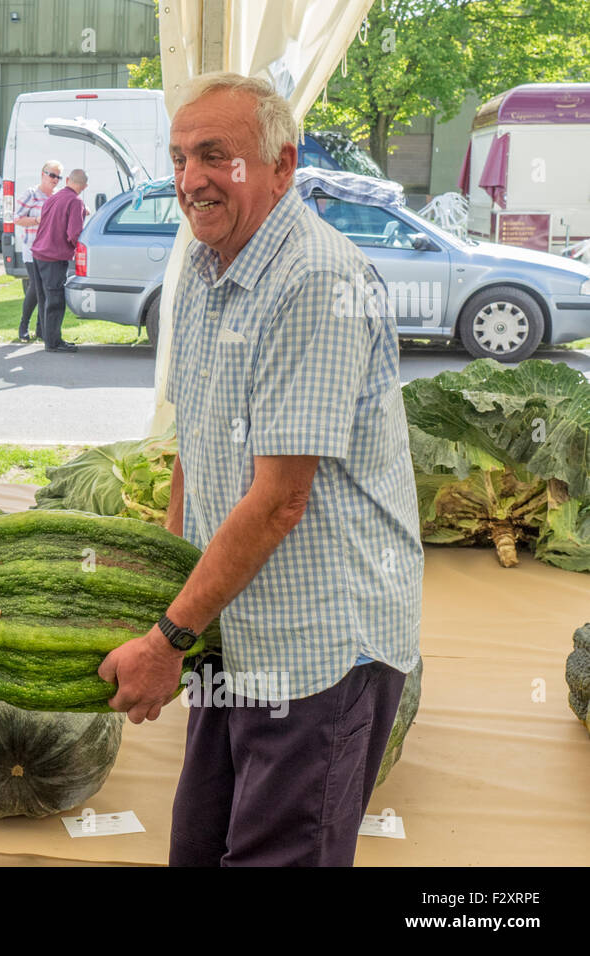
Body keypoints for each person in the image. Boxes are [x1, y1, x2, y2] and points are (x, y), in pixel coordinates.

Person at [97, 72, 422, 866]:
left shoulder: (314, 280)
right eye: (178, 158)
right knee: (201, 848)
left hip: (315, 649)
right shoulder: (207, 268)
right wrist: (163, 596)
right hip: (230, 626)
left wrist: (168, 639)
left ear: (282, 162)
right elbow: (194, 447)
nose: (190, 180)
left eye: (216, 156)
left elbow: (280, 501)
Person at [30, 168, 88, 352]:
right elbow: (74, 234)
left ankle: (44, 333)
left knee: (43, 297)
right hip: (54, 256)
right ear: (85, 186)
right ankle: (53, 343)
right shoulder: (76, 201)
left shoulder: (54, 197)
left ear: (68, 180)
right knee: (55, 300)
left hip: (38, 253)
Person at [12, 161, 62, 343]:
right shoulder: (31, 194)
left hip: (50, 250)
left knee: (45, 290)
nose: (55, 180)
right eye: (52, 175)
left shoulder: (57, 196)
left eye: (58, 177)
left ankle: (41, 329)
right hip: (32, 248)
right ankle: (24, 325)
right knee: (36, 286)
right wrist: (37, 220)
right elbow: (16, 218)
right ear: (43, 174)